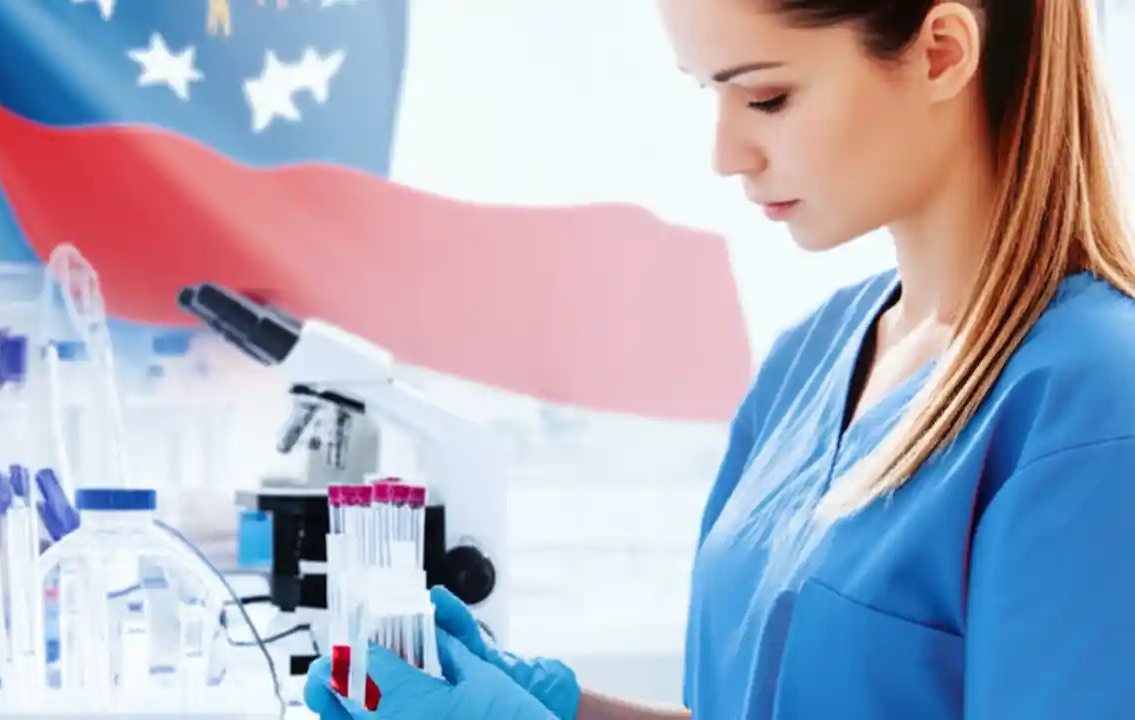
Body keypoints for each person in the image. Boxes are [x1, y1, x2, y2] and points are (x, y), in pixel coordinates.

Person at [305, 0, 1135, 717]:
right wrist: (557, 708)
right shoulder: (811, 360)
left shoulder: (1092, 407)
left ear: (941, 51)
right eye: (712, 94)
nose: (726, 152)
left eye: (766, 97)